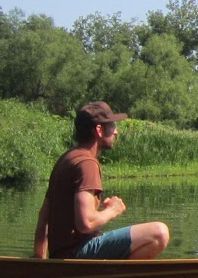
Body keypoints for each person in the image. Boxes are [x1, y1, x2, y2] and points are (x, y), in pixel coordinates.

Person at [33, 101, 170, 260]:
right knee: (159, 233)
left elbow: (43, 218)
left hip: (62, 255)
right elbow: (86, 223)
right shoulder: (87, 164)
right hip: (78, 254)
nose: (116, 132)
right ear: (99, 130)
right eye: (112, 126)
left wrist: (40, 260)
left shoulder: (66, 159)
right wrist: (113, 210)